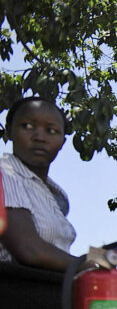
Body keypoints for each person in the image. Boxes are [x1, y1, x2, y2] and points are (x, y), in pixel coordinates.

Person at [0, 97, 78, 271]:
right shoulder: (5, 174)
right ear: (9, 131)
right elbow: (29, 250)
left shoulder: (57, 194)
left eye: (51, 130)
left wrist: (102, 259)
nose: (39, 137)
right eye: (27, 126)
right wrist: (88, 265)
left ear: (62, 142)